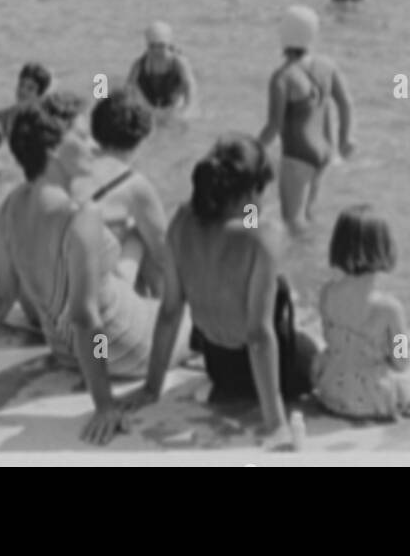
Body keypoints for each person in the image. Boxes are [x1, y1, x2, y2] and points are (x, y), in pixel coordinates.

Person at [0, 105, 186, 446]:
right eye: (81, 135)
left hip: (64, 351)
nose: (93, 145)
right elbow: (87, 318)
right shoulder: (80, 215)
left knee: (136, 245)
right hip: (121, 345)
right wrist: (104, 405)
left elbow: (2, 295)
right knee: (186, 312)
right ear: (54, 150)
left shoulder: (12, 205)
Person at [125, 135, 318, 444]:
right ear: (252, 189)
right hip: (277, 374)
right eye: (262, 192)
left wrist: (152, 387)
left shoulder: (182, 221)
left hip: (220, 369)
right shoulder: (260, 240)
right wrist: (275, 423)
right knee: (315, 349)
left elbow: (170, 312)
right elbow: (258, 337)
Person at [314, 206, 410, 419]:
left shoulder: (327, 292)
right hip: (373, 398)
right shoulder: (389, 308)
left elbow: (330, 338)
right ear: (383, 247)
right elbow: (401, 361)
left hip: (331, 390)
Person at [258, 6, 354, 232]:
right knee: (309, 215)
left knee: (292, 222)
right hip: (324, 154)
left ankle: (299, 264)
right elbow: (345, 103)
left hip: (297, 156)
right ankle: (315, 257)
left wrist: (253, 150)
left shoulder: (282, 77)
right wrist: (344, 140)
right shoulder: (327, 66)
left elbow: (274, 126)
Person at [64, 90, 170, 295]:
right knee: (140, 233)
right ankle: (158, 310)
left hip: (51, 290)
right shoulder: (134, 184)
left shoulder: (70, 166)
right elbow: (163, 255)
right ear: (142, 138)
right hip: (95, 298)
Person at [126, 21, 197, 116]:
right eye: (152, 46)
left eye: (161, 46)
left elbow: (189, 85)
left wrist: (187, 107)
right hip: (150, 102)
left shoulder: (179, 62)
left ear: (168, 45)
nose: (156, 51)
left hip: (174, 103)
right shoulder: (140, 64)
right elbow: (129, 86)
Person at [0, 62, 53, 138]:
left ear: (40, 95)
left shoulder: (46, 125)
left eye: (30, 88)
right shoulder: (1, 118)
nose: (22, 91)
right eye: (21, 84)